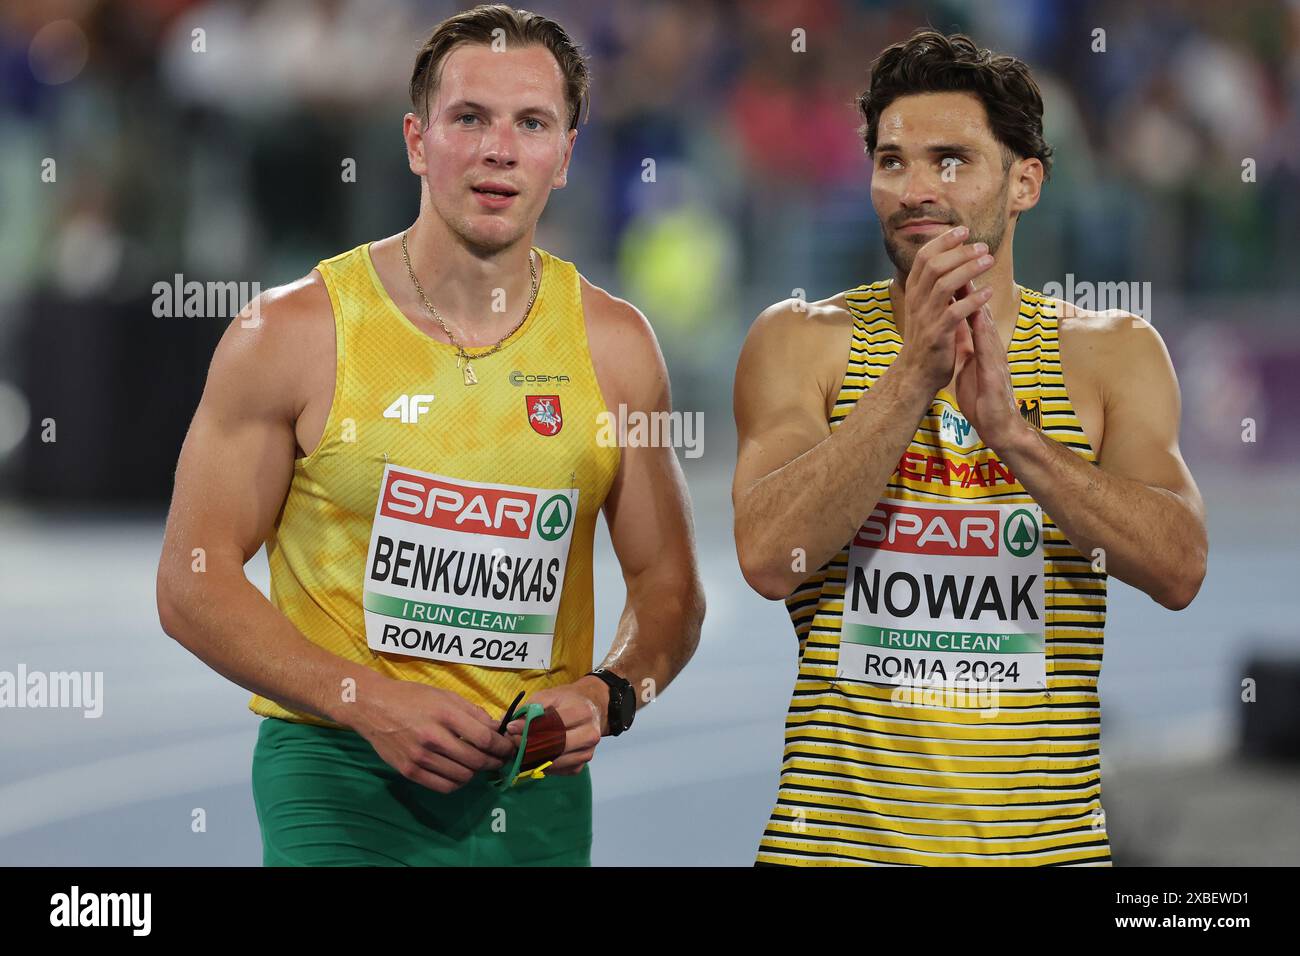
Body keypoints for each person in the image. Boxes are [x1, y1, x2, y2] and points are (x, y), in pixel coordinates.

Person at [156, 3, 704, 867]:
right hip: (341, 780)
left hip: (532, 788)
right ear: (416, 141)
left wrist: (611, 691)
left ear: (565, 155)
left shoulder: (617, 348)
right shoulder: (294, 334)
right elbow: (192, 582)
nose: (499, 149)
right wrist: (363, 699)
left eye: (532, 123)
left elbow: (668, 585)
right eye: (469, 118)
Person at [732, 30, 1207, 866]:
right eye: (891, 161)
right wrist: (913, 377)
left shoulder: (1109, 352)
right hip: (837, 850)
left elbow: (1179, 568)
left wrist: (1016, 436)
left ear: (1025, 180)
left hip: (1045, 851)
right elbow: (770, 556)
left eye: (950, 160)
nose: (915, 189)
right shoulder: (805, 341)